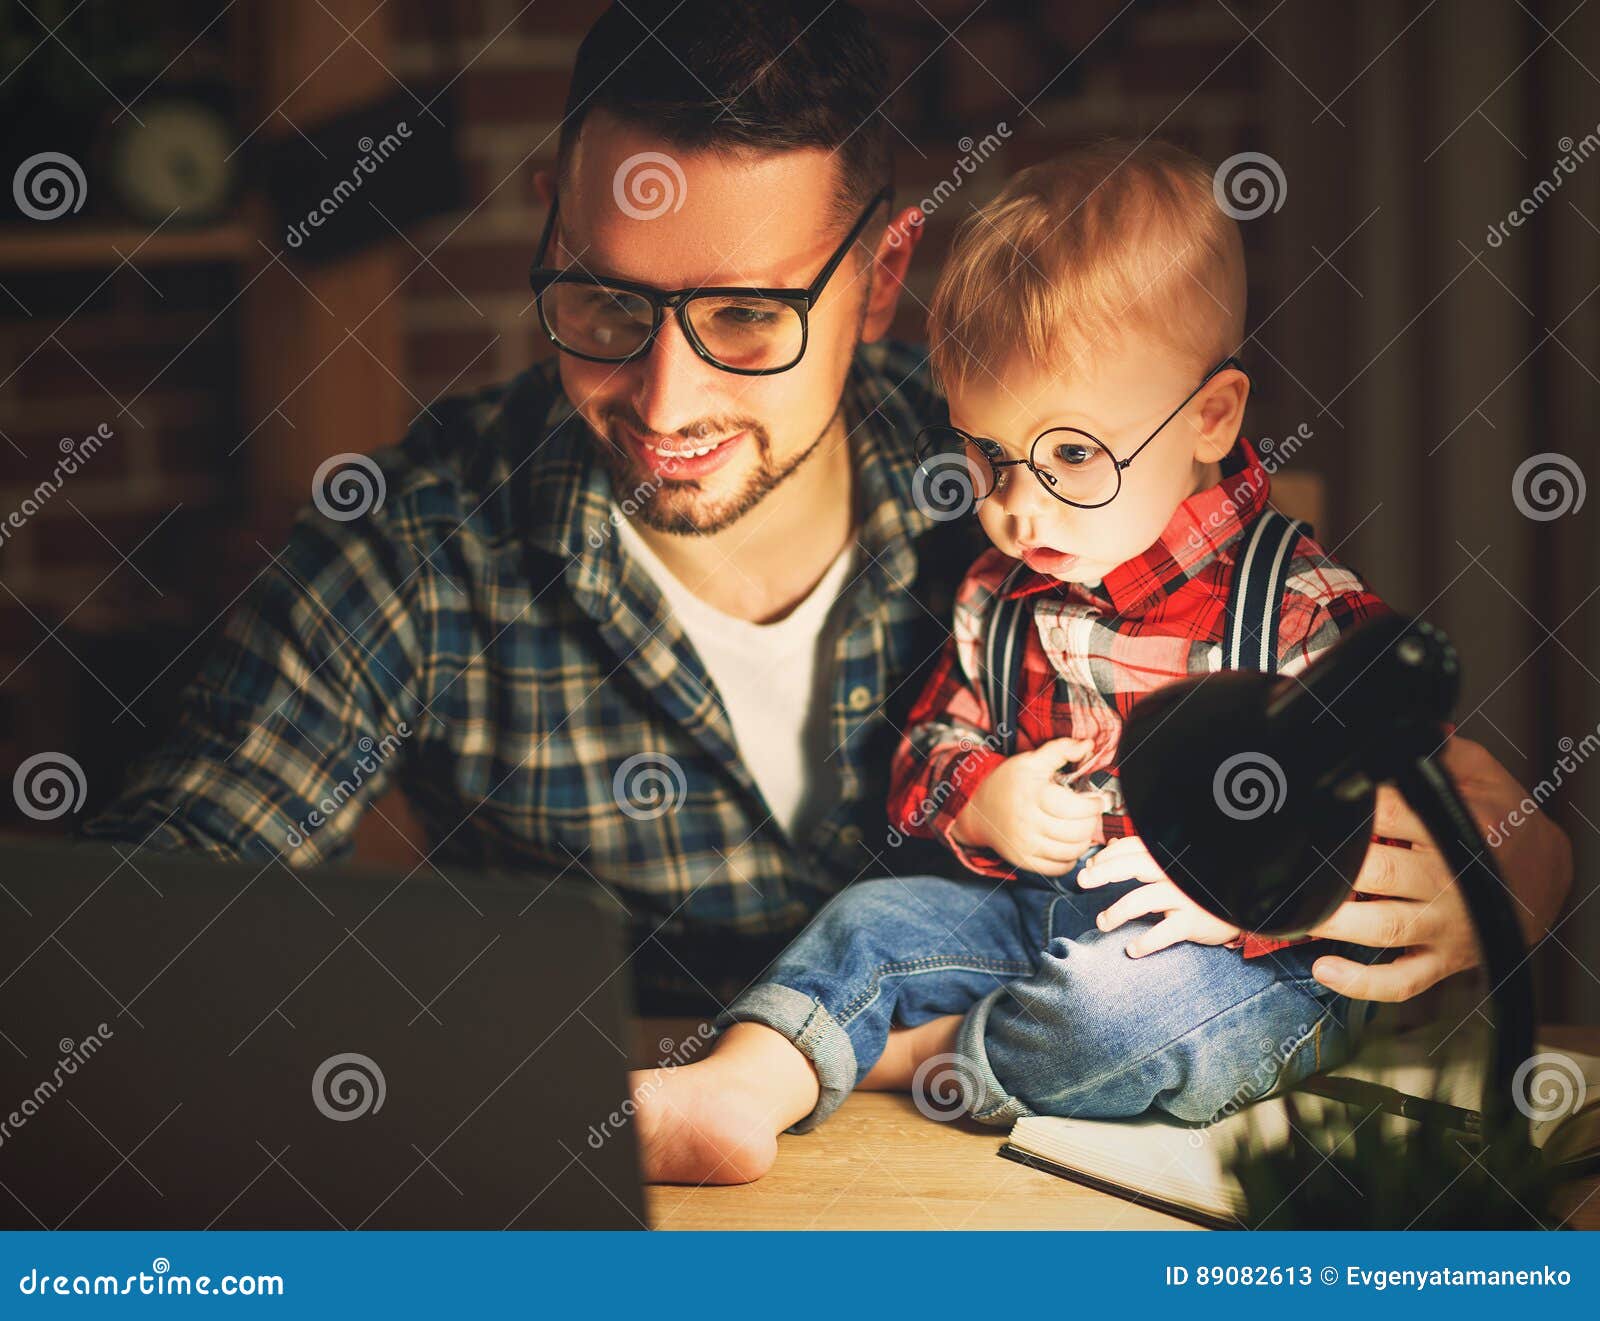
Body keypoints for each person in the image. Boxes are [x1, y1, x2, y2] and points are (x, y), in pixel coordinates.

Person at [82, 3, 1570, 1029]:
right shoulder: (415, 540)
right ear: (548, 212)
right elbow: (137, 940)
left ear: (880, 277)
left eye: (743, 316)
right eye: (603, 300)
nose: (660, 402)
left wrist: (1493, 865)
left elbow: (1495, 806)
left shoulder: (1021, 472)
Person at [630, 139, 1404, 1183]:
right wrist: (979, 795)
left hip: (1228, 960)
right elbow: (937, 740)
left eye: (1072, 455)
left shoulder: (1299, 612)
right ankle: (741, 1079)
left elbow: (1391, 811)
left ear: (1211, 418)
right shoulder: (998, 594)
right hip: (1030, 912)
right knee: (869, 918)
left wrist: (1250, 898)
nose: (1016, 504)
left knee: (1127, 1016)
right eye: (988, 454)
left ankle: (927, 1055)